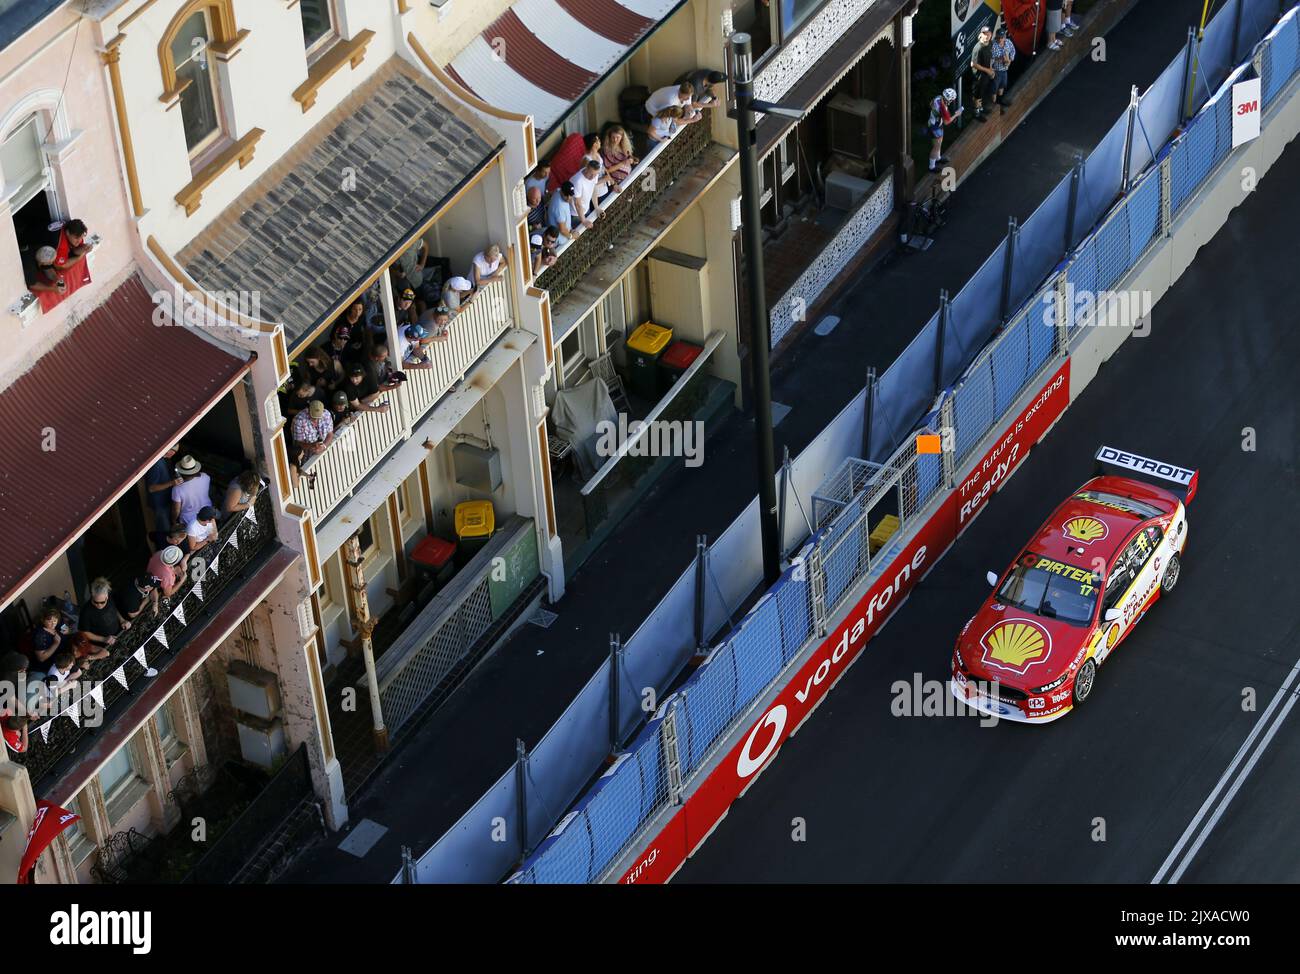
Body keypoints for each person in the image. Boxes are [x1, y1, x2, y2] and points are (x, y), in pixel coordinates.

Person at [76, 578, 127, 661]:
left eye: (102, 602)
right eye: (95, 602)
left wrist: (122, 620)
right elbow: (84, 632)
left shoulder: (110, 597)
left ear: (107, 596)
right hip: (104, 645)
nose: (99, 605)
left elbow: (114, 609)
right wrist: (104, 639)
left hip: (119, 634)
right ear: (92, 595)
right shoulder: (86, 611)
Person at [144, 445, 182, 529]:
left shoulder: (164, 460)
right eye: (174, 451)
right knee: (164, 528)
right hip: (159, 504)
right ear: (168, 450)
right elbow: (151, 488)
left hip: (166, 500)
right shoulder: (156, 465)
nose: (174, 454)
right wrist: (172, 483)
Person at [170, 455, 212, 527]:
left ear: (181, 472)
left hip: (189, 520)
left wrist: (173, 521)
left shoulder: (177, 489)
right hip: (208, 513)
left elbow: (176, 510)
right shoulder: (206, 476)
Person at [927, 88, 963, 171]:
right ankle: (931, 167)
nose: (952, 101)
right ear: (949, 100)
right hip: (935, 127)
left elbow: (931, 104)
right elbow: (947, 122)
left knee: (940, 142)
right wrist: (956, 115)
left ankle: (938, 158)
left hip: (935, 124)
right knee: (936, 147)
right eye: (952, 100)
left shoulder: (939, 98)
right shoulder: (942, 108)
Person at [25, 608, 64, 672]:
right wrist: (56, 643)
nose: (53, 623)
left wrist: (65, 629)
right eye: (49, 621)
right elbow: (41, 658)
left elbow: (66, 629)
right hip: (48, 665)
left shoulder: (55, 626)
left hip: (61, 655)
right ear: (43, 620)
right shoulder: (40, 635)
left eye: (55, 620)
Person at [971, 25, 994, 121]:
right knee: (977, 95)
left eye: (988, 33)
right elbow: (973, 64)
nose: (987, 35)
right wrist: (987, 70)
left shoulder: (990, 44)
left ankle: (980, 109)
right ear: (981, 34)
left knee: (982, 92)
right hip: (979, 76)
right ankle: (976, 113)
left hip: (986, 74)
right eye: (985, 34)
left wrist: (992, 68)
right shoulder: (978, 47)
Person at [991, 27, 1017, 111]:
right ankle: (994, 105)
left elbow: (1013, 50)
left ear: (1004, 37)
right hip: (997, 70)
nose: (1000, 39)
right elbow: (992, 57)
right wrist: (1003, 59)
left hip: (1005, 69)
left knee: (1002, 85)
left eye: (1001, 37)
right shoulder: (993, 45)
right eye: (998, 37)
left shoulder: (1008, 42)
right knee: (994, 88)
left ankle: (1000, 101)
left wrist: (1010, 59)